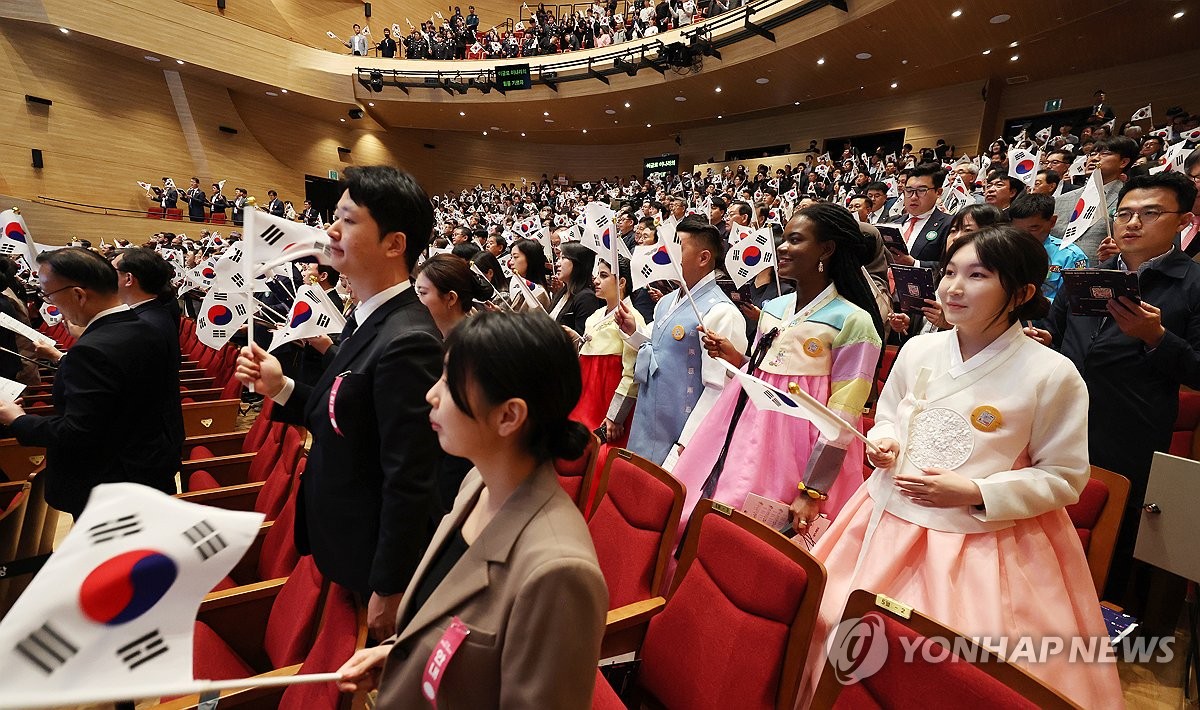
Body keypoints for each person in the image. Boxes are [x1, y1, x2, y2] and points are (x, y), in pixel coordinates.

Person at [799, 226, 1123, 707]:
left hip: (984, 539)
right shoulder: (920, 348)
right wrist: (884, 444)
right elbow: (889, 415)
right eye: (949, 272)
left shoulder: (1052, 373)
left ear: (1022, 293)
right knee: (833, 625)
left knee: (956, 665)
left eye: (976, 275)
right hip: (885, 516)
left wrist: (976, 491)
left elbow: (1065, 476)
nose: (952, 287)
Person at [335, 311, 607, 708]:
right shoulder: (476, 484)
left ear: (508, 415)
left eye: (449, 381)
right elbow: (449, 618)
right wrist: (398, 652)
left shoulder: (558, 572)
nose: (431, 394)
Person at [235, 166, 445, 641]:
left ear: (394, 244)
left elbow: (409, 477)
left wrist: (391, 586)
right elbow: (344, 413)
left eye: (348, 220)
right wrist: (280, 385)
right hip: (344, 544)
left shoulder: (409, 339)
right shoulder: (368, 317)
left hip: (371, 562)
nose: (329, 231)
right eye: (335, 216)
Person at [1029, 172, 1200, 620]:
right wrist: (1040, 341)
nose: (1132, 223)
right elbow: (1057, 336)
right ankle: (1035, 608)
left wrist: (1157, 337)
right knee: (1046, 517)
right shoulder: (1085, 278)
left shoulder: (1193, 284)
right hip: (1060, 421)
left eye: (1150, 214)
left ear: (1182, 220)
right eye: (1124, 213)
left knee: (1112, 532)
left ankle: (1095, 621)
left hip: (1130, 430)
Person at [673, 204, 883, 535]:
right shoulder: (773, 308)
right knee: (711, 518)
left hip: (801, 449)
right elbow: (764, 376)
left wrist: (813, 489)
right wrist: (737, 359)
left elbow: (843, 414)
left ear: (826, 250)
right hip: (749, 430)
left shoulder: (853, 321)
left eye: (795, 240)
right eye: (783, 239)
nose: (781, 248)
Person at [0, 248, 182, 517]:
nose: (50, 302)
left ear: (78, 295)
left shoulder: (93, 349)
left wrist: (18, 420)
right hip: (144, 470)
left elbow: (79, 431)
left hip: (108, 487)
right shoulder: (146, 325)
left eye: (48, 295)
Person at [617, 216, 747, 467]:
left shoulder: (721, 312)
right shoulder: (666, 301)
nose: (668, 253)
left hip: (680, 437)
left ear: (703, 258)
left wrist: (687, 444)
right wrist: (633, 331)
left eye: (679, 247)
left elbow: (717, 389)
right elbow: (658, 346)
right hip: (647, 420)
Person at [571, 255, 643, 451]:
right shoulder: (594, 316)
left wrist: (615, 416)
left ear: (621, 282)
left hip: (606, 407)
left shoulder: (632, 318)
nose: (595, 280)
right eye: (596, 275)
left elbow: (633, 373)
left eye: (603, 276)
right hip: (585, 399)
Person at [1009, 193, 1088, 301]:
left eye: (1033, 228)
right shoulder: (1006, 250)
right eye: (1018, 230)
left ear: (1052, 222)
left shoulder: (1071, 255)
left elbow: (1073, 301)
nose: (1025, 235)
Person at [414, 254, 476, 338]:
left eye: (423, 293)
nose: (416, 300)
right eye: (417, 293)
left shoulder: (472, 345)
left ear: (451, 298)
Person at [550, 242, 600, 334]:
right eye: (559, 258)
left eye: (563, 258)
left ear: (578, 262)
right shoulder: (563, 291)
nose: (557, 263)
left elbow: (581, 339)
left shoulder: (586, 298)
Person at [507, 238, 552, 312]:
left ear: (530, 259)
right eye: (511, 257)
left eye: (515, 257)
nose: (510, 262)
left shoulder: (538, 293)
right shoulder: (519, 283)